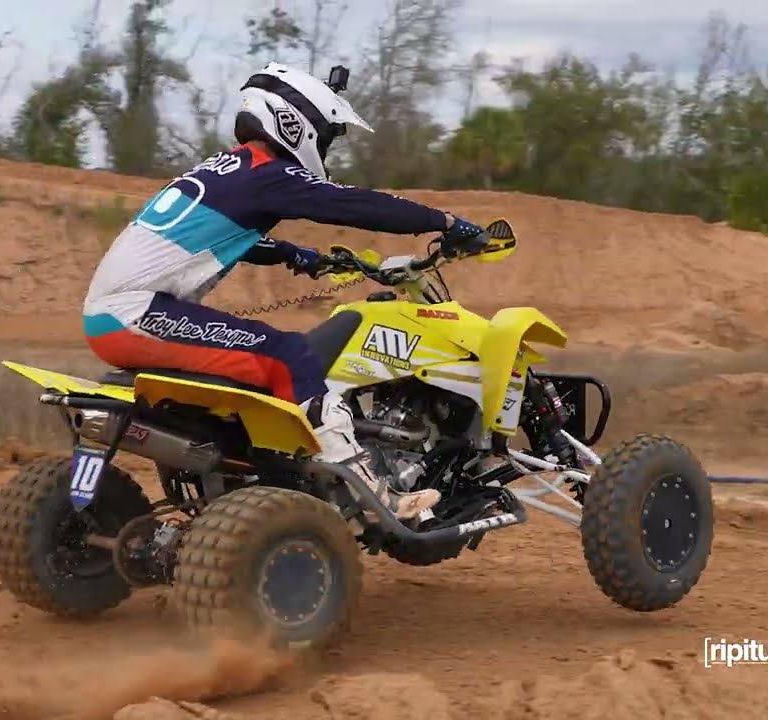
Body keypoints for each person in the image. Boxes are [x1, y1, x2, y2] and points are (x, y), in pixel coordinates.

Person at [81, 61, 489, 521]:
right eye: (328, 135)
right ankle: (373, 497)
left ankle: (255, 480)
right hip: (137, 314)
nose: (328, 147)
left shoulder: (229, 169)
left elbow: (225, 235)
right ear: (298, 124)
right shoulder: (268, 174)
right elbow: (352, 204)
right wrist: (445, 222)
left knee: (253, 371)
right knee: (288, 356)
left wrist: (299, 256)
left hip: (113, 313)